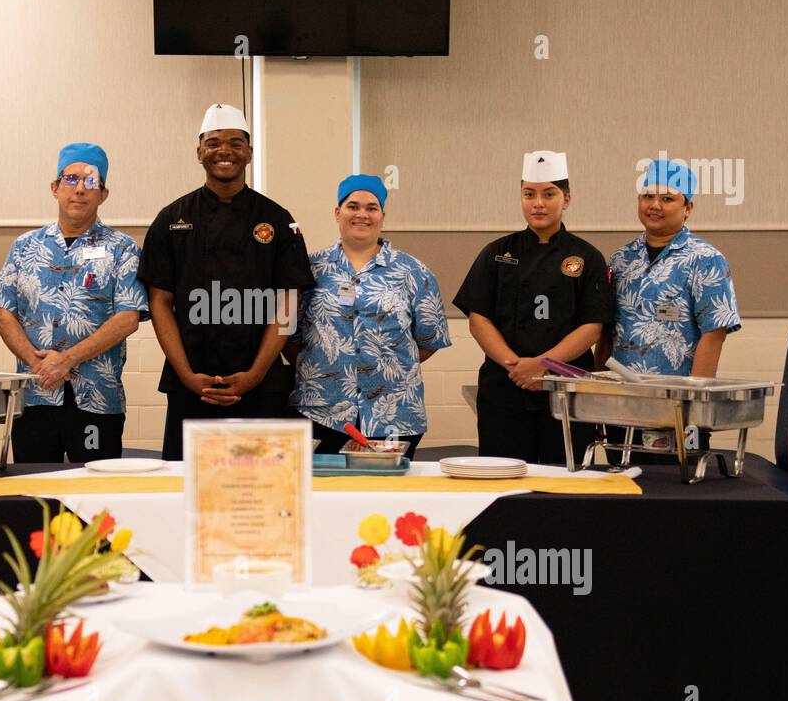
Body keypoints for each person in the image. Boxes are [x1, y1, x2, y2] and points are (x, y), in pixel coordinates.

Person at [139, 103, 315, 460]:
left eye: (236, 142)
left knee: (260, 488)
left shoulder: (278, 221)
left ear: (249, 153)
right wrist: (186, 374)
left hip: (260, 386)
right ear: (199, 151)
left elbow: (286, 304)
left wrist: (254, 374)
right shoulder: (170, 219)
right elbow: (159, 302)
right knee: (185, 487)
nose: (225, 150)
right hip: (190, 386)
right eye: (214, 141)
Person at [0, 143, 147, 463]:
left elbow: (128, 317)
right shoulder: (24, 247)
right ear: (55, 188)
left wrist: (65, 360)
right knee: (34, 493)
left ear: (103, 194)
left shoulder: (123, 248)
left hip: (97, 398)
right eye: (71, 179)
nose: (80, 190)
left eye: (91, 182)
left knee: (95, 494)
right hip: (35, 395)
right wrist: (40, 364)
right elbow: (5, 313)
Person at [453, 151, 612, 465]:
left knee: (567, 488)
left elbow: (592, 326)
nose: (538, 203)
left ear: (566, 199)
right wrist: (516, 365)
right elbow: (478, 318)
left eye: (549, 194)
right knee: (503, 484)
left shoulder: (587, 256)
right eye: (529, 194)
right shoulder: (497, 252)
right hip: (504, 389)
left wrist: (542, 364)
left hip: (567, 392)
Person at [289, 174, 450, 458]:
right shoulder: (309, 269)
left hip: (395, 416)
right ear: (338, 213)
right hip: (321, 413)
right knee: (326, 499)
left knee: (387, 499)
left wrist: (384, 364)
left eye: (371, 208)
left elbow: (427, 340)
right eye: (353, 206)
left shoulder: (414, 273)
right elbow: (290, 337)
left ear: (382, 216)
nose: (362, 214)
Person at [599, 159, 741, 458]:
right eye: (648, 197)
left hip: (676, 409)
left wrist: (693, 407)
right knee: (620, 492)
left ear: (688, 207)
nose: (655, 205)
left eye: (667, 199)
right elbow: (607, 333)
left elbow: (714, 335)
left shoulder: (705, 260)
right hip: (621, 407)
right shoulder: (621, 259)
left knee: (674, 495)